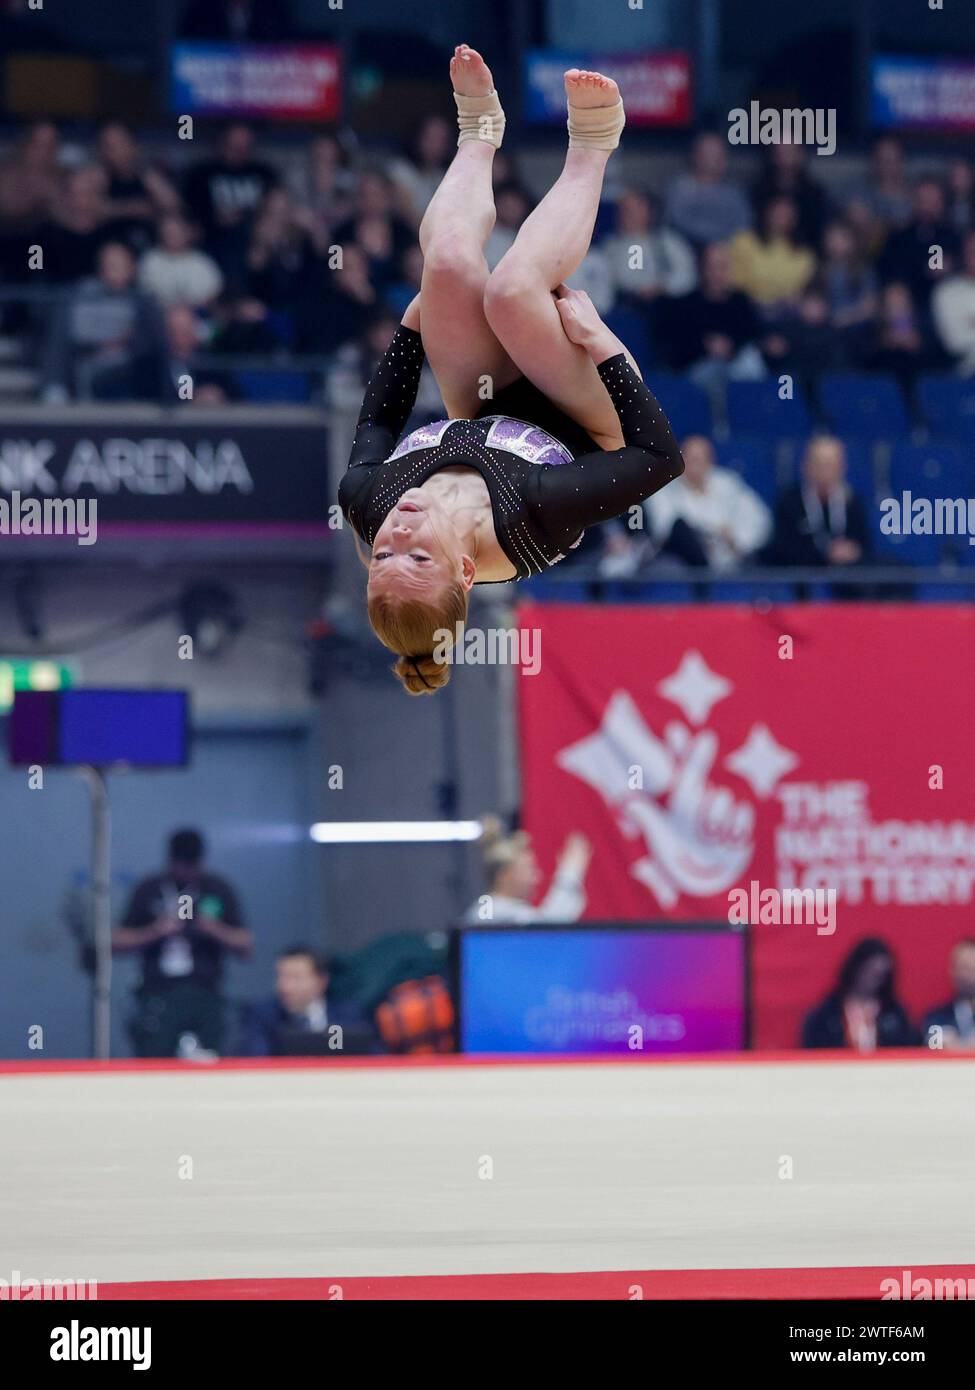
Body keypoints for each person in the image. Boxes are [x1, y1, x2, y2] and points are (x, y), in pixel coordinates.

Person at [338, 46, 684, 695]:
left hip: (482, 402)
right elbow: (660, 458)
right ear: (466, 572)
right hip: (592, 414)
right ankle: (592, 143)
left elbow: (379, 418)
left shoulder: (369, 506)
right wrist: (603, 345)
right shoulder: (533, 515)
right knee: (512, 288)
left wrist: (411, 332)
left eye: (382, 555)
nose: (398, 533)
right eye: (418, 555)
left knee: (444, 265)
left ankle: (478, 131)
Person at [113, 828, 252, 1057]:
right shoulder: (149, 889)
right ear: (170, 861)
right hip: (157, 994)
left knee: (208, 1061)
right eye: (181, 865)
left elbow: (246, 945)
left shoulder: (216, 889)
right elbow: (116, 942)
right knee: (154, 1063)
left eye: (192, 866)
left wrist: (213, 928)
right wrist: (155, 931)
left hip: (205, 993)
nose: (186, 872)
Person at [40, 241, 169, 402]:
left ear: (131, 268)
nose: (112, 269)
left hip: (130, 363)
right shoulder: (84, 292)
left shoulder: (143, 301)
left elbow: (149, 339)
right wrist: (115, 339)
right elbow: (80, 331)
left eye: (118, 264)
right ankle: (55, 387)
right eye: (108, 264)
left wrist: (125, 340)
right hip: (90, 359)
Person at [645, 434, 771, 571]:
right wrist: (711, 533)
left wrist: (737, 540)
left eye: (700, 459)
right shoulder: (663, 487)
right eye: (689, 458)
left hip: (731, 564)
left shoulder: (728, 483)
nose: (695, 464)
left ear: (711, 461)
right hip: (685, 567)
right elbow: (664, 528)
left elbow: (761, 519)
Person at [239, 946, 379, 1056]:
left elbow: (376, 1056)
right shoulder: (263, 1016)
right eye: (281, 977)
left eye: (295, 977)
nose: (284, 986)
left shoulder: (349, 1014)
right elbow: (255, 1058)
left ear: (321, 981)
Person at [765, 435, 870, 569]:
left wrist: (853, 551)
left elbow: (864, 546)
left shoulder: (853, 503)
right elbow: (784, 550)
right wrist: (826, 554)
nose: (825, 470)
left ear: (842, 467)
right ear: (806, 466)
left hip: (848, 581)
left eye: (830, 464)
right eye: (819, 463)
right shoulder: (789, 502)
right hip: (803, 580)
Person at [463, 816, 592, 924]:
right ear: (505, 874)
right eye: (529, 870)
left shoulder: (494, 908)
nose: (536, 878)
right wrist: (570, 872)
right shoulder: (493, 911)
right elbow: (548, 929)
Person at [801, 938, 916, 1050]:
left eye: (880, 975)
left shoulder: (895, 1014)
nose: (873, 980)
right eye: (869, 972)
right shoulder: (826, 1015)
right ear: (856, 969)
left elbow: (906, 1048)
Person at [601, 187, 697, 305]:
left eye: (634, 209)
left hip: (668, 305)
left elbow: (687, 276)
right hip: (626, 306)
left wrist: (662, 287)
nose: (627, 215)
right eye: (624, 209)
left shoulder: (670, 242)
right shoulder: (610, 246)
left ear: (649, 211)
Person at [728, 194, 817, 314]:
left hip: (787, 312)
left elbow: (801, 291)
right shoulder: (744, 241)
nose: (781, 218)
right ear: (766, 213)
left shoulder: (804, 253)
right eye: (777, 213)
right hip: (746, 308)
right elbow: (733, 280)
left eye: (787, 214)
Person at [663, 131, 752, 249]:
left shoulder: (734, 193)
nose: (714, 160)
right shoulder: (679, 190)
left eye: (719, 155)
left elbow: (743, 229)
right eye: (708, 154)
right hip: (687, 252)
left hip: (726, 254)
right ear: (695, 156)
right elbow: (676, 227)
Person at [139, 212, 224, 308]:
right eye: (168, 231)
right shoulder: (150, 260)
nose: (172, 236)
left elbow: (213, 297)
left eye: (177, 231)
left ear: (187, 232)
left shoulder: (203, 262)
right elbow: (146, 297)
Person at [932, 230, 975, 376]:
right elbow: (955, 342)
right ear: (964, 255)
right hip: (964, 374)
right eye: (973, 252)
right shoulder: (946, 292)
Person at [921, 940, 975, 1050]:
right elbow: (931, 1045)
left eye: (973, 967)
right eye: (964, 967)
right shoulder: (936, 1018)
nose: (969, 974)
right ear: (952, 971)